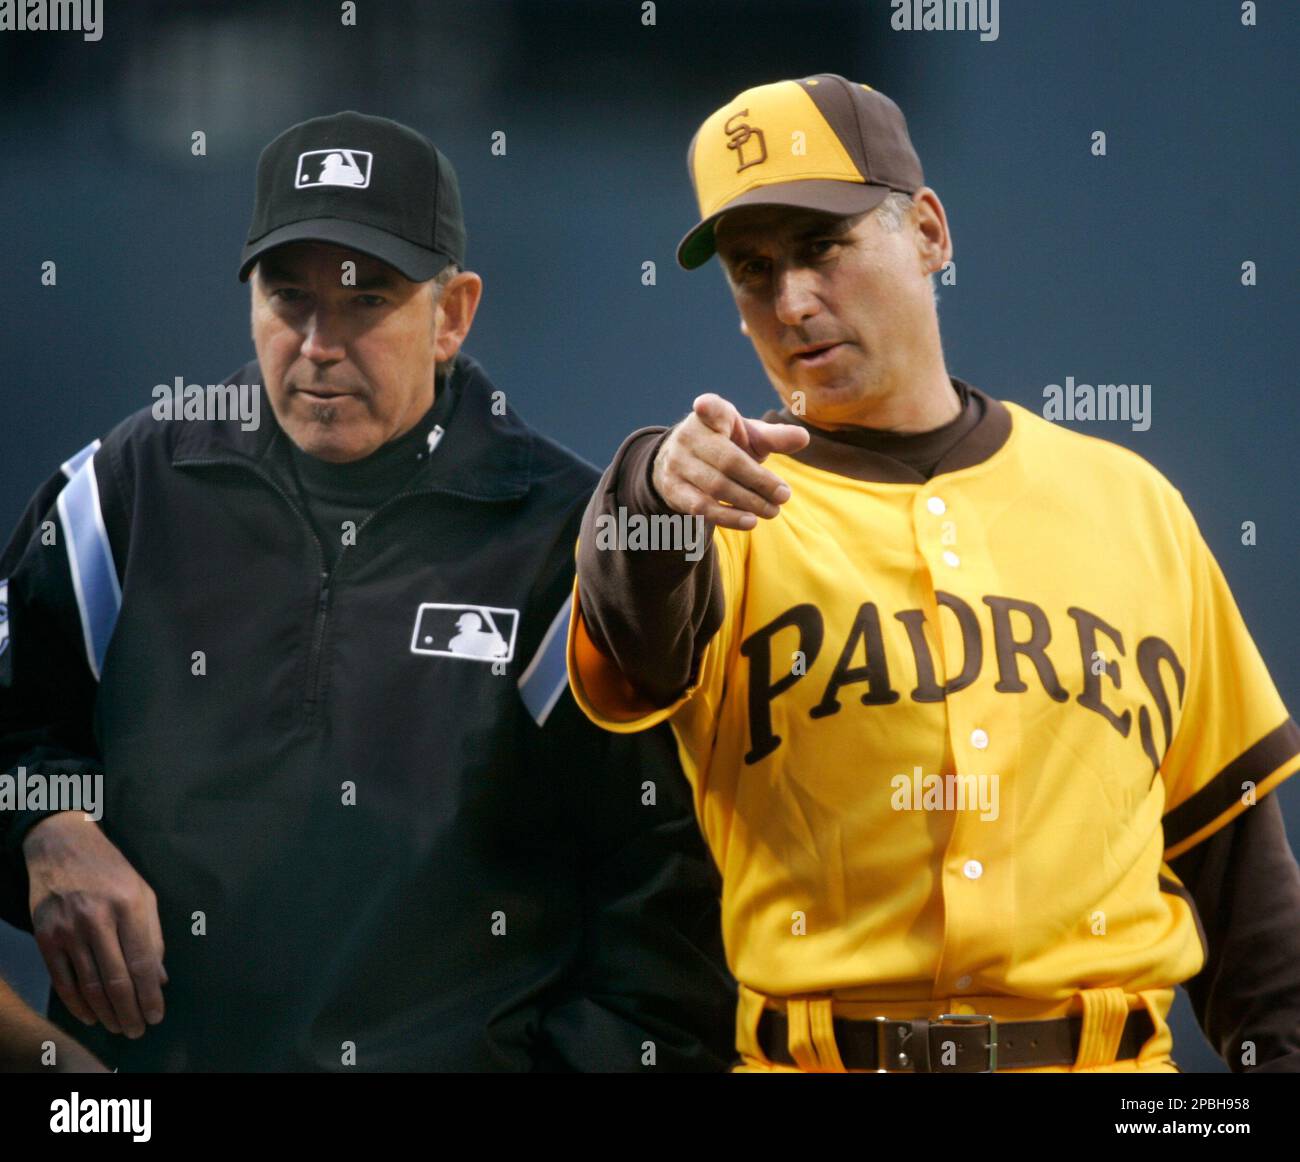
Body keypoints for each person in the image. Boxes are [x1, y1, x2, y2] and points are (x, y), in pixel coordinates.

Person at [566, 75, 1300, 1073]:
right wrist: (651, 483)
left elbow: (1240, 880)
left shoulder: (1131, 505)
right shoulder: (715, 508)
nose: (790, 300)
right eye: (751, 268)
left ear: (927, 231)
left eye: (822, 247)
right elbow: (636, 626)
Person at [0, 111, 734, 1071]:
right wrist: (44, 826)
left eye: (365, 301)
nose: (317, 344)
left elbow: (663, 910)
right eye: (287, 296)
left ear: (453, 312)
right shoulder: (121, 497)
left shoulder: (568, 546)